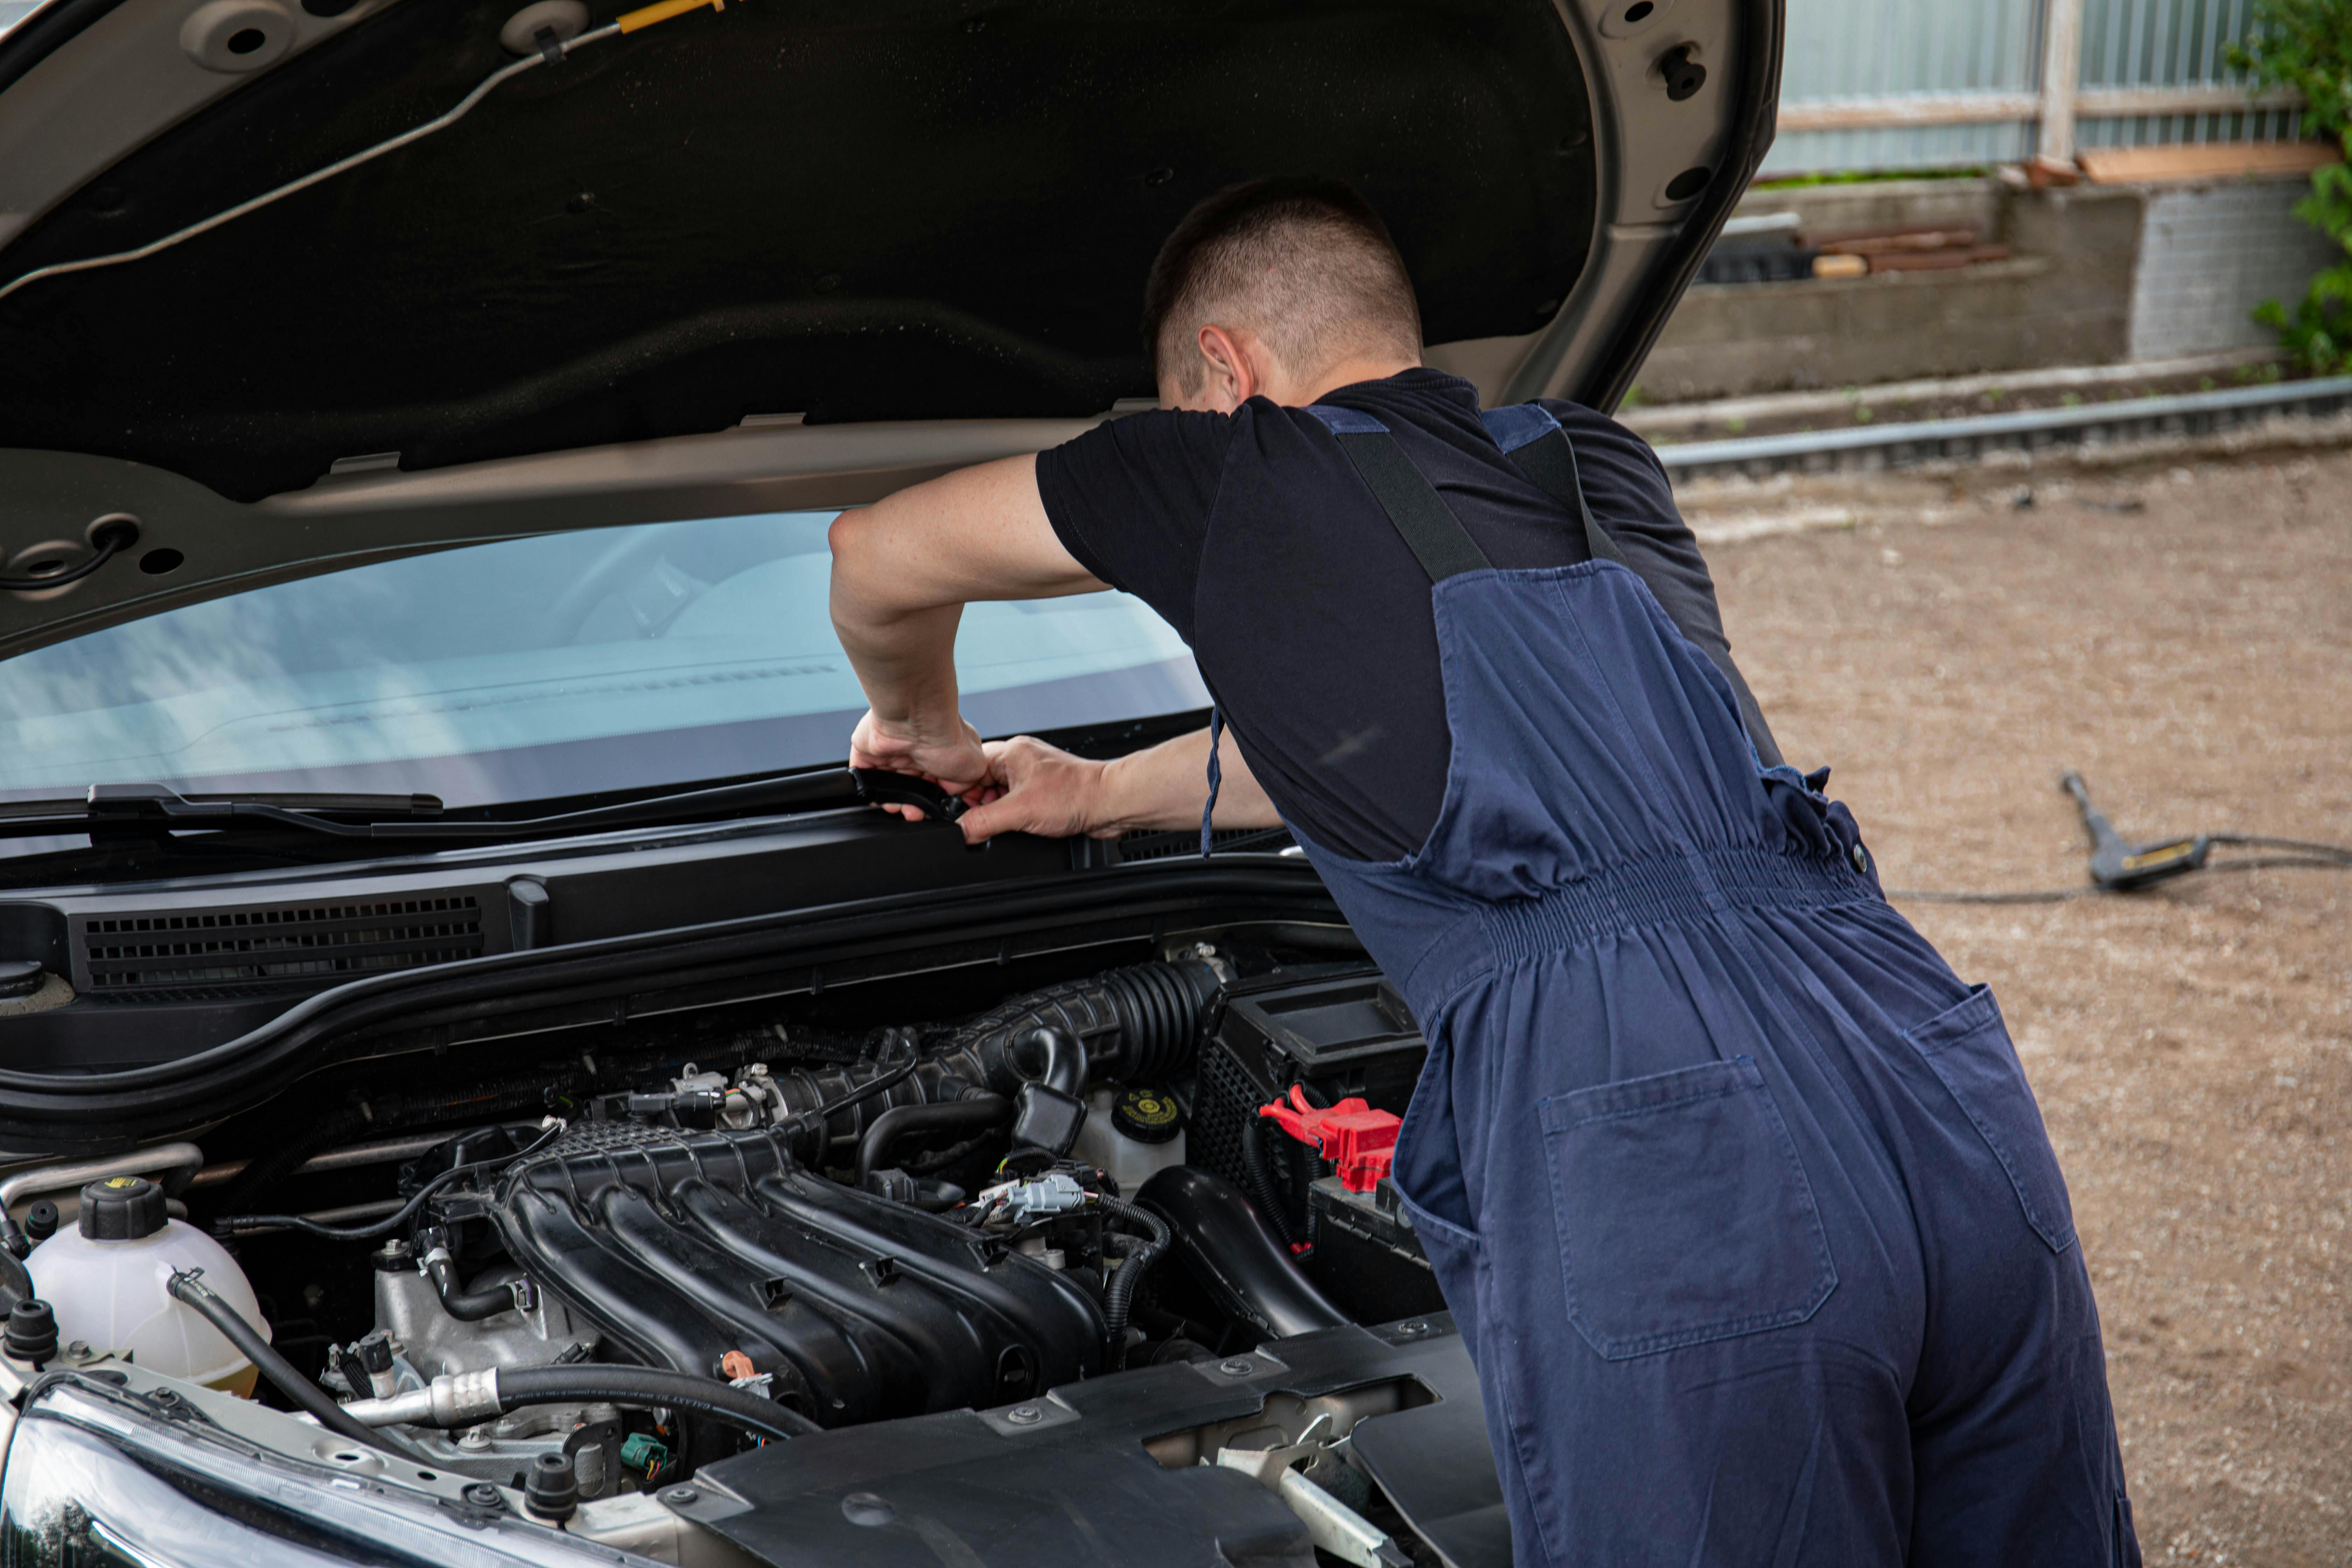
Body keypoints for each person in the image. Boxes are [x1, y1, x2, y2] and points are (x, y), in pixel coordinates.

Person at [827, 177, 2139, 1566]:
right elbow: (1420, 749)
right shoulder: (1592, 462)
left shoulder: (1226, 463)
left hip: (1665, 1125)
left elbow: (878, 556)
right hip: (1922, 1057)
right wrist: (1100, 791)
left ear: (1226, 367)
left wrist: (922, 727)